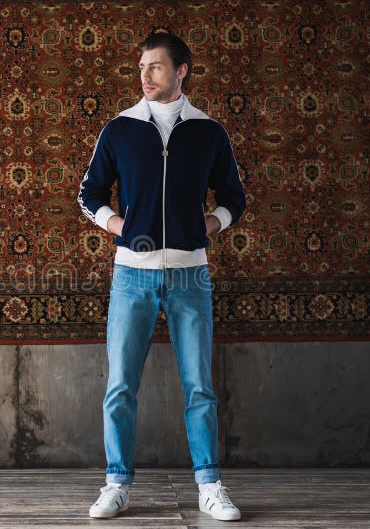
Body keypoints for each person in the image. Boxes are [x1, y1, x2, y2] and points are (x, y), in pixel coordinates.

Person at [76, 32, 246, 521]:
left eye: (155, 66)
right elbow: (89, 193)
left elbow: (234, 196)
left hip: (191, 275)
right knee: (121, 386)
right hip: (132, 275)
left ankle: (209, 486)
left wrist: (212, 223)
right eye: (142, 67)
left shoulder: (209, 132)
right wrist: (118, 226)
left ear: (181, 71)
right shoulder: (120, 129)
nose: (145, 75)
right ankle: (116, 484)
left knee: (199, 386)